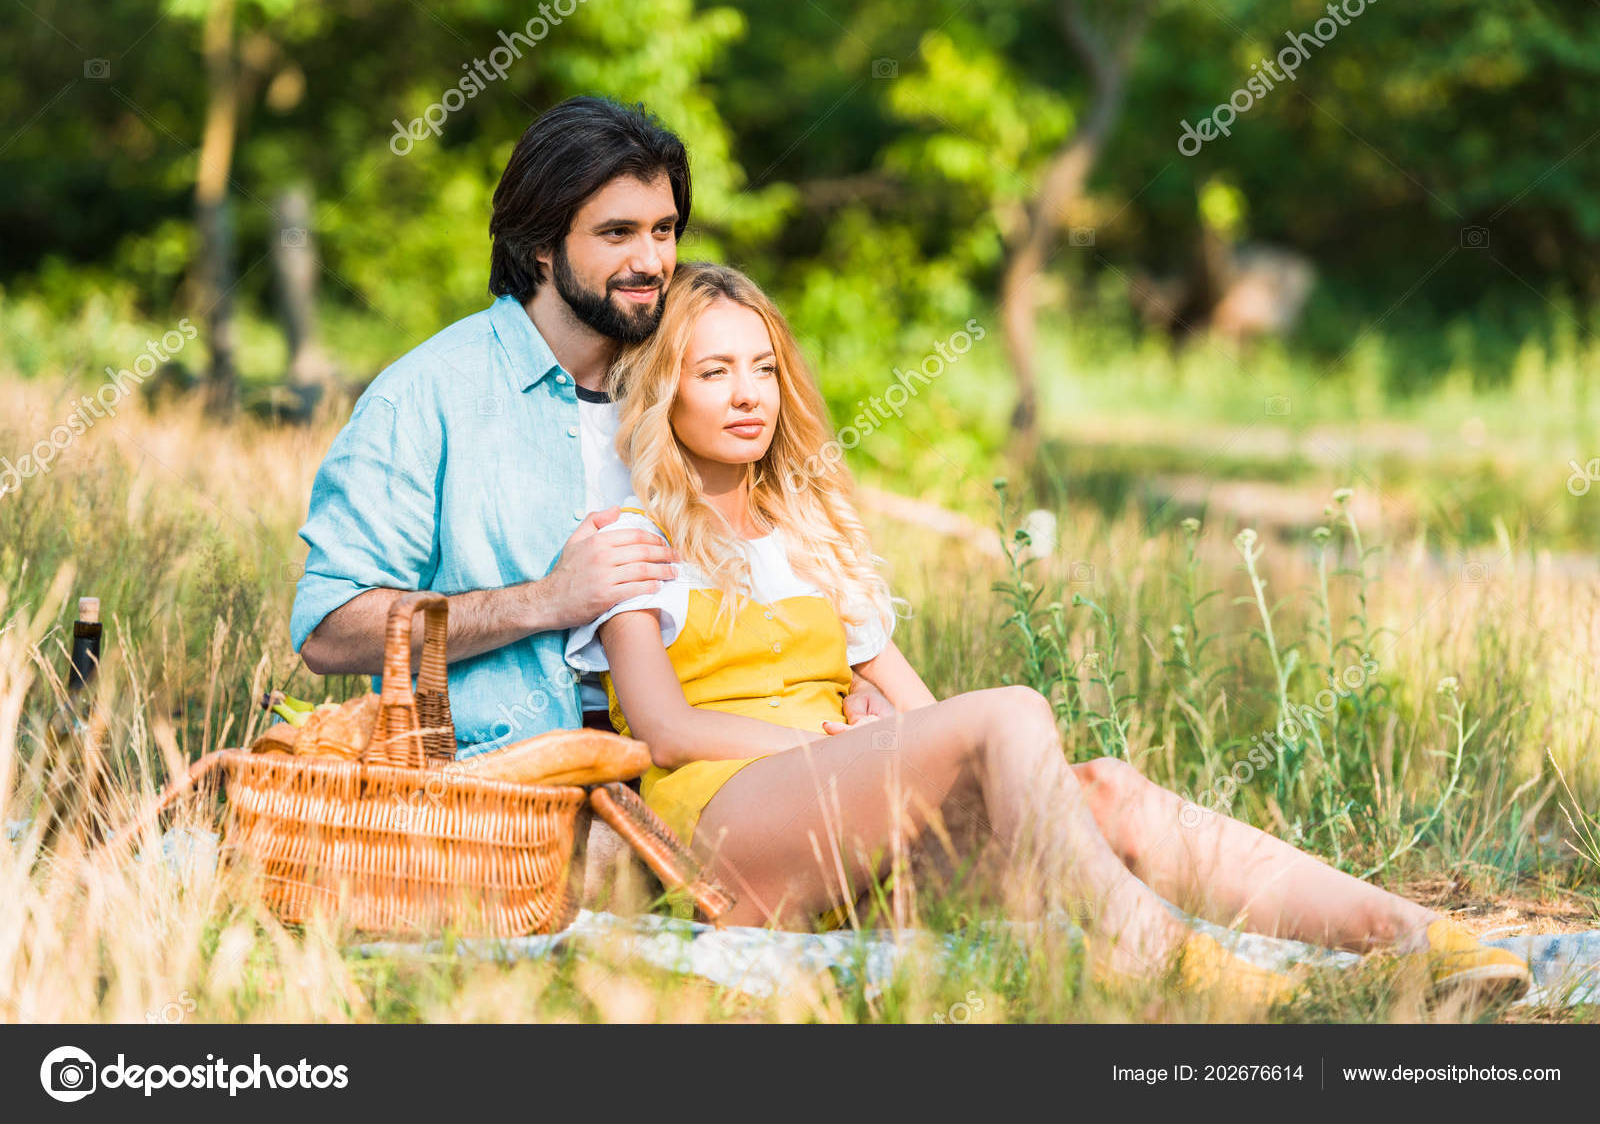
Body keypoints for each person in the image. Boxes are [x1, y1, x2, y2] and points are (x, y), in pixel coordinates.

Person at [565, 261, 1532, 1007]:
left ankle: (1412, 937)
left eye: (764, 368)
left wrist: (907, 761)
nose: (748, 395)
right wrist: (833, 746)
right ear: (665, 391)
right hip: (725, 834)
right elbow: (660, 727)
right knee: (1013, 711)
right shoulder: (633, 534)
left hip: (845, 829)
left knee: (1102, 788)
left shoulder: (811, 536)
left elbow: (926, 720)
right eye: (714, 371)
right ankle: (1160, 957)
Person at [289, 97, 890, 749]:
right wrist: (542, 601)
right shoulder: (430, 395)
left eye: (664, 231)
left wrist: (840, 688)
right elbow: (328, 630)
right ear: (543, 245)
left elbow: (775, 571)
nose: (651, 261)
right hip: (513, 781)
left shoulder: (690, 380)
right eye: (617, 233)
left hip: (714, 760)